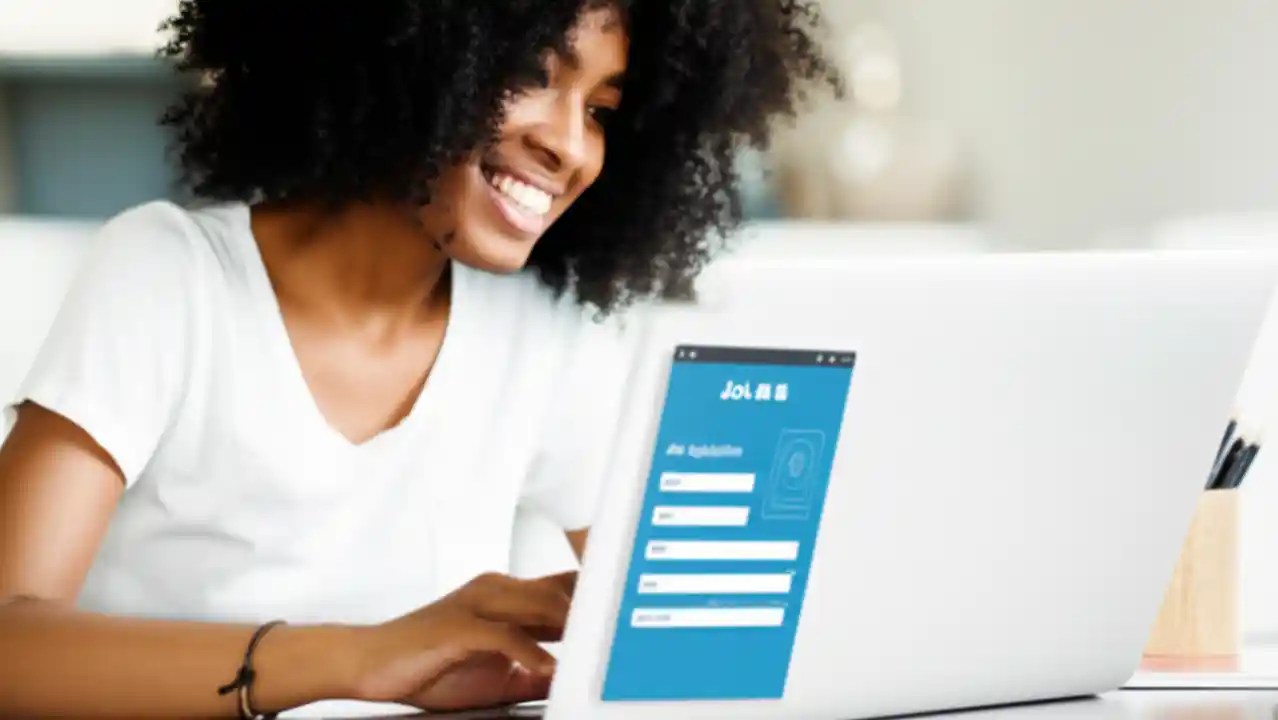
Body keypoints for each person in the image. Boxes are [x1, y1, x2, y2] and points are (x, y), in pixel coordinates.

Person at [0, 0, 833, 716]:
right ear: (399, 49)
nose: (571, 146)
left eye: (601, 111)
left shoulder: (540, 330)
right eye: (532, 73)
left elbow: (696, 629)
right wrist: (363, 657)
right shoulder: (172, 274)